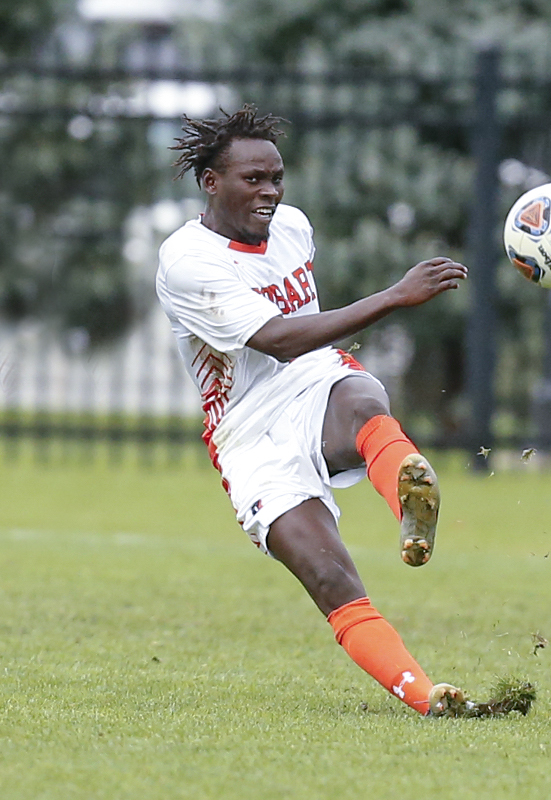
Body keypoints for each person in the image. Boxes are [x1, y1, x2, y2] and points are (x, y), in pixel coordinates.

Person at [158, 105, 507, 718]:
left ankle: (409, 499)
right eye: (253, 180)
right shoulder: (188, 261)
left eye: (277, 178)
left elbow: (304, 352)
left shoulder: (293, 226)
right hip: (246, 434)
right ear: (210, 182)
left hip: (314, 379)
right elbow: (277, 338)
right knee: (329, 580)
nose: (270, 192)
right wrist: (397, 296)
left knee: (359, 397)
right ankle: (430, 698)